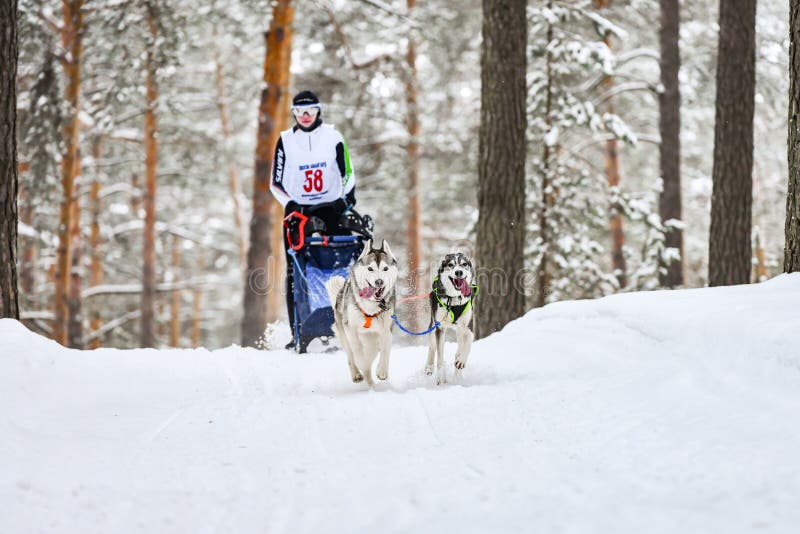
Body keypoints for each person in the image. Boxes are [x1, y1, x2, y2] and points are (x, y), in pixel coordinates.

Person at [270, 90, 356, 342]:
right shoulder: (285, 140)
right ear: (293, 113)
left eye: (310, 110)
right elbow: (275, 182)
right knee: (295, 267)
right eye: (299, 111)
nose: (305, 116)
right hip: (299, 211)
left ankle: (347, 324)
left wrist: (345, 201)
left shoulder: (333, 136)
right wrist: (292, 205)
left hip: (331, 207)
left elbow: (348, 173)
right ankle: (299, 331)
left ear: (319, 111)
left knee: (342, 262)